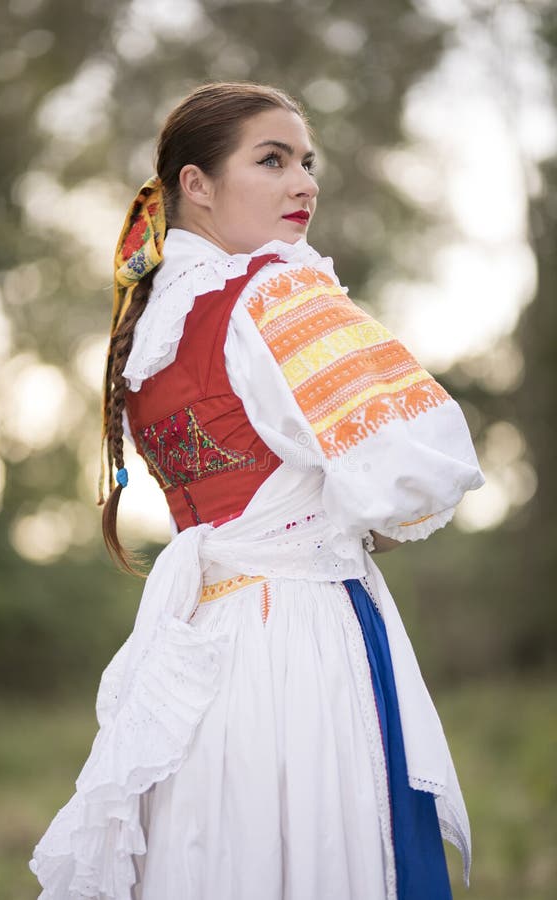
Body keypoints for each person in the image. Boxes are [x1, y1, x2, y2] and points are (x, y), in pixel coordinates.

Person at [29, 82, 484, 900]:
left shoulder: (149, 339)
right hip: (303, 638)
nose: (303, 184)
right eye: (271, 160)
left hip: (207, 649)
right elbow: (415, 468)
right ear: (195, 184)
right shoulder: (278, 292)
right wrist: (341, 517)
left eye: (306, 162)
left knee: (221, 855)